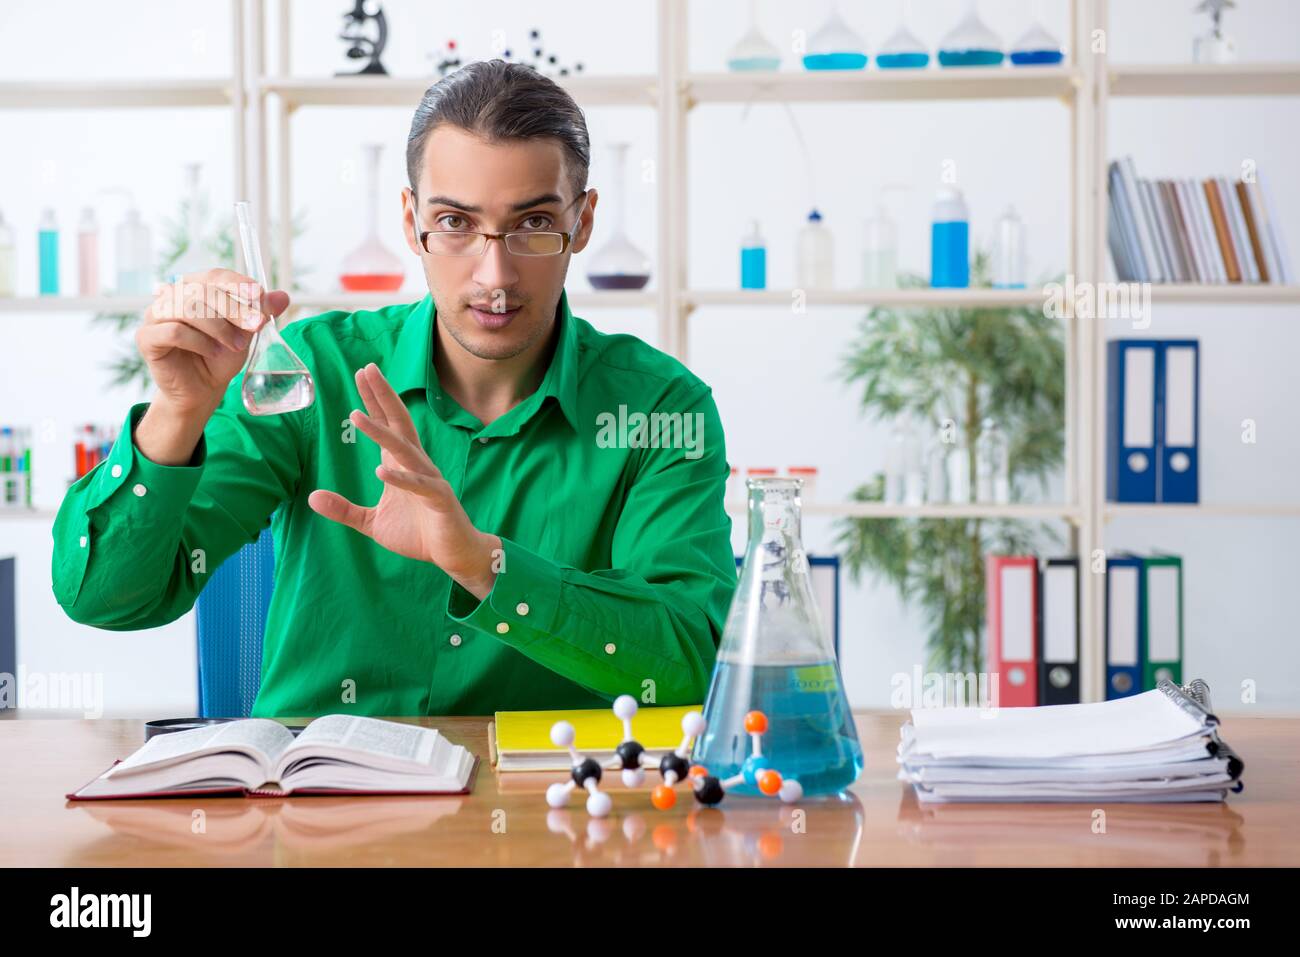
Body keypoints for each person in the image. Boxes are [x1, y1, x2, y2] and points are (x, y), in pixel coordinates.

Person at [51, 60, 738, 718]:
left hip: (550, 815)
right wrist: (176, 415)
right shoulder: (315, 374)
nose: (493, 275)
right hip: (319, 808)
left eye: (532, 224)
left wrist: (484, 563)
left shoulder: (658, 409)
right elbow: (106, 597)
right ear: (412, 220)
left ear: (581, 223)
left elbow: (690, 665)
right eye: (455, 223)